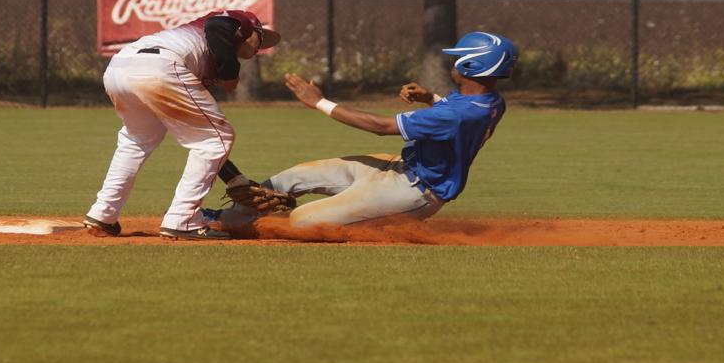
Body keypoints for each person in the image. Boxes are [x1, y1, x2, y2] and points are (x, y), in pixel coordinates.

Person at [205, 31, 515, 235]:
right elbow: (455, 116)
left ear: (472, 66)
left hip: (412, 193)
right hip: (396, 167)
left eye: (459, 56)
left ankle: (261, 225)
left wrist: (320, 103)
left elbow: (380, 127)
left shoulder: (456, 114)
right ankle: (226, 221)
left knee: (303, 222)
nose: (453, 60)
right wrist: (430, 98)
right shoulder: (488, 100)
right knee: (291, 179)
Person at [82, 10, 281, 240]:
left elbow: (197, 134)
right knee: (218, 138)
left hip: (120, 67)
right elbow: (217, 27)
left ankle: (103, 214)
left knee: (136, 141)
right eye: (260, 38)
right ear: (249, 30)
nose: (261, 46)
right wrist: (231, 73)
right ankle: (182, 219)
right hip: (158, 66)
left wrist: (235, 179)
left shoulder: (207, 54)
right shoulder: (234, 20)